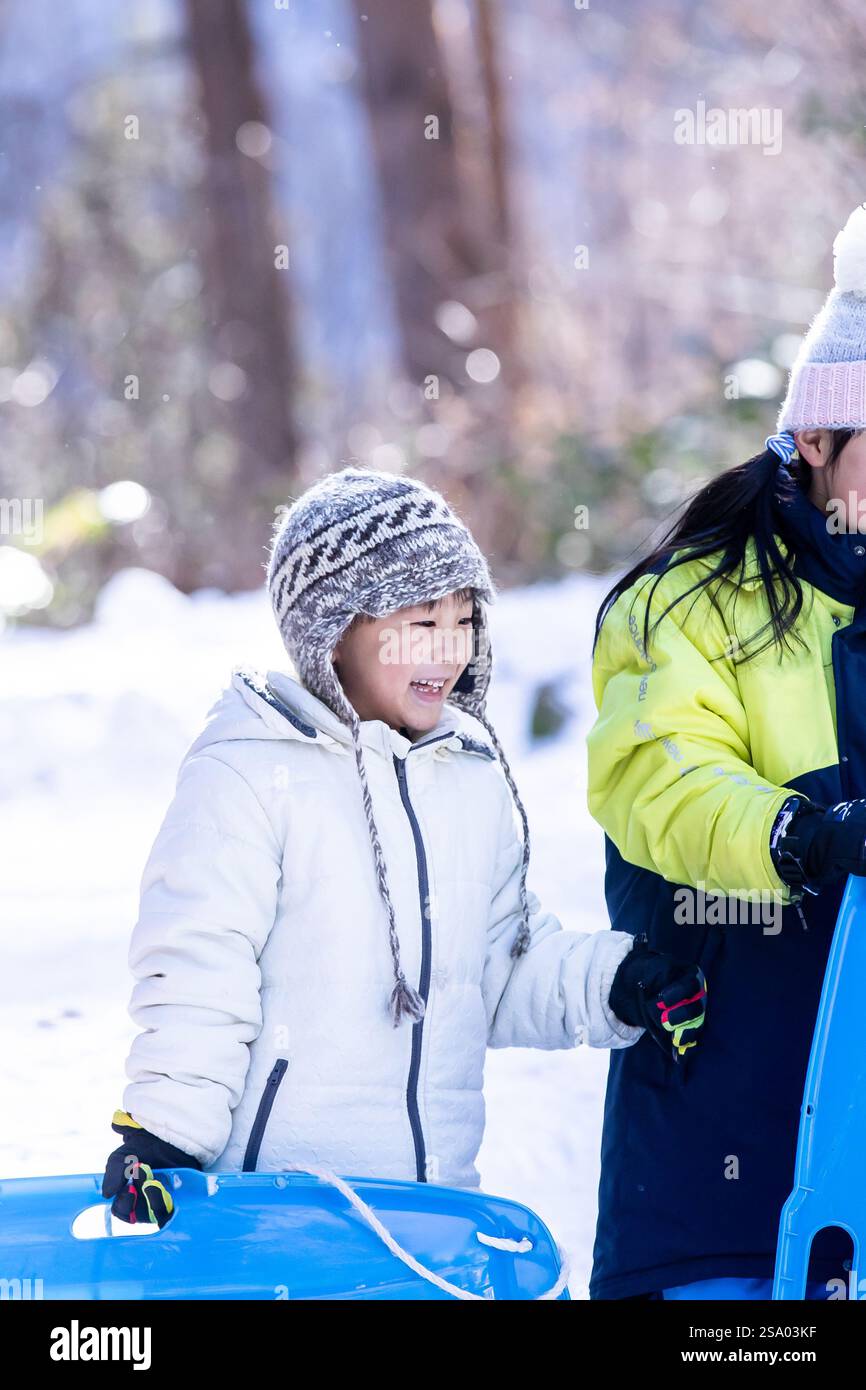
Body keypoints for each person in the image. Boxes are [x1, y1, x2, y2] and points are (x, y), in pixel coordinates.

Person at [102, 466, 706, 1227]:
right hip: (273, 1216)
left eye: (464, 620)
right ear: (335, 628)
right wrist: (165, 1135)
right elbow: (199, 969)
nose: (449, 649)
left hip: (429, 1215)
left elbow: (497, 966)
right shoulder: (250, 769)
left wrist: (615, 982)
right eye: (422, 622)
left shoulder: (468, 778)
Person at [586, 202, 866, 1300]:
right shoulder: (687, 600)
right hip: (720, 1160)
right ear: (815, 439)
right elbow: (652, 775)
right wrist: (798, 833)